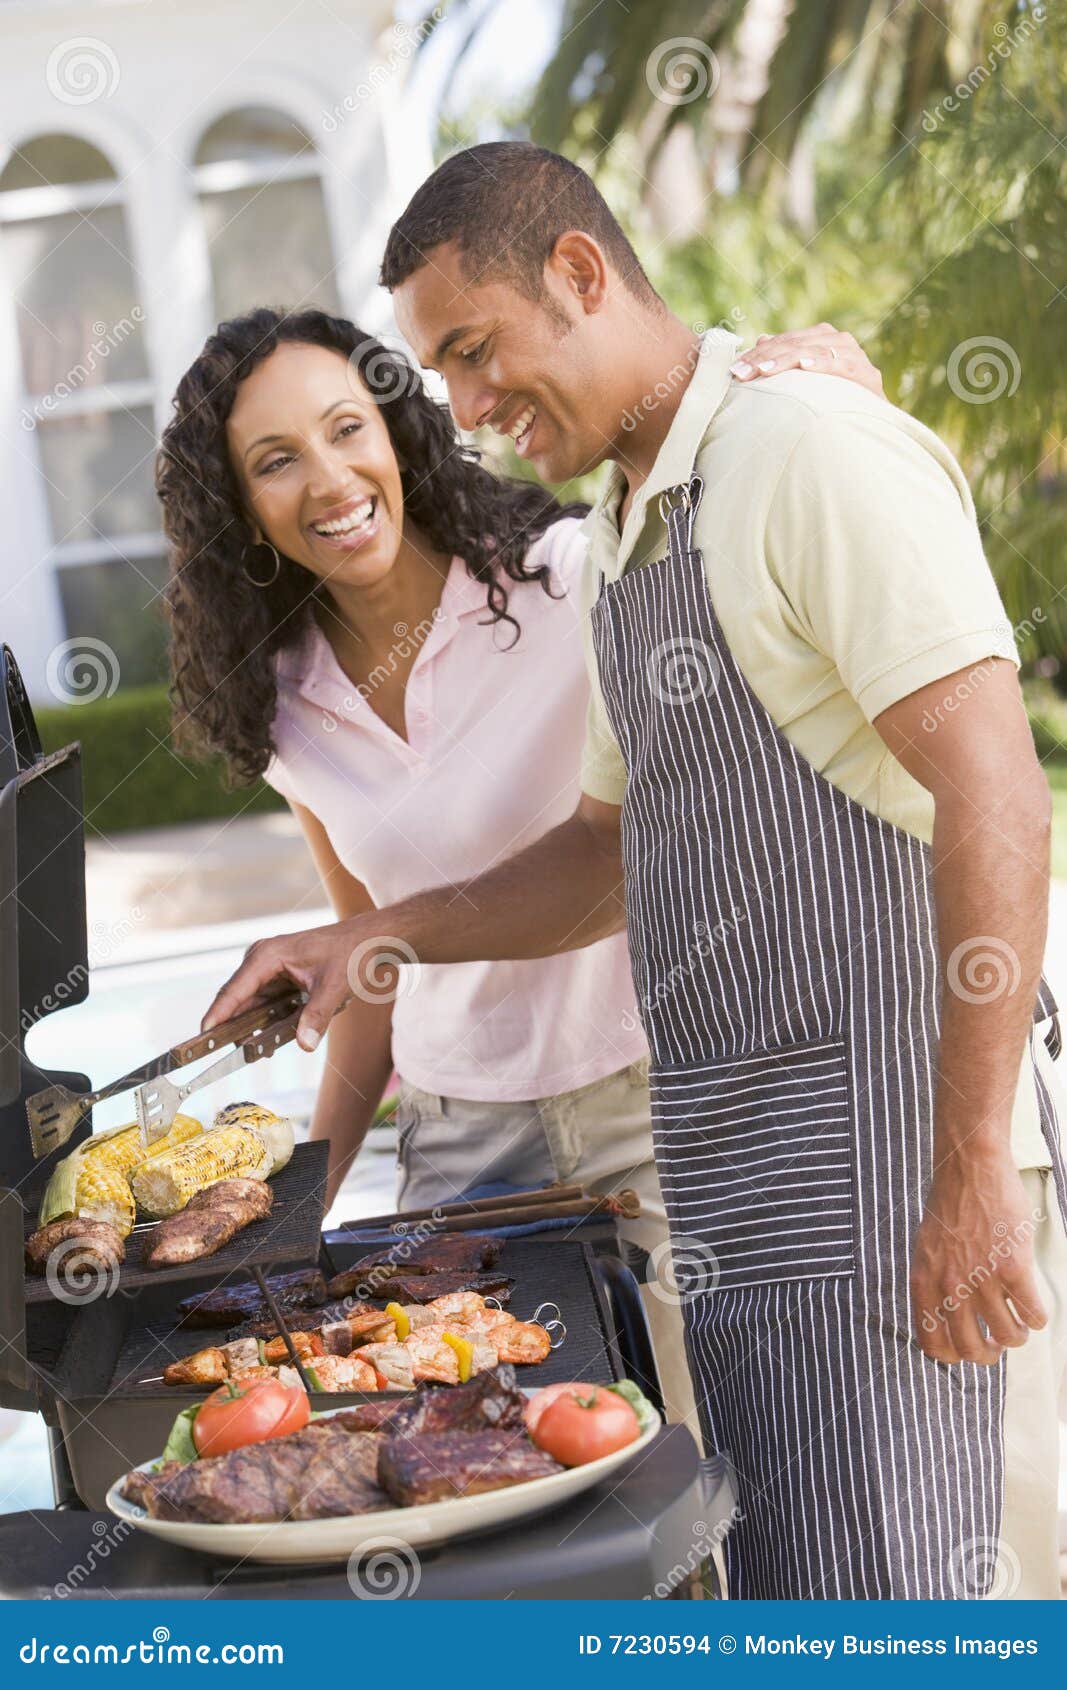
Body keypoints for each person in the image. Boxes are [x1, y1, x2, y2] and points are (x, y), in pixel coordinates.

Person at [203, 143, 1067, 1600]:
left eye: (471, 353)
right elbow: (603, 853)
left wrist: (975, 1166)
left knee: (923, 1601)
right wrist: (374, 940)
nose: (463, 411)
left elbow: (996, 791)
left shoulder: (800, 453)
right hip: (746, 1189)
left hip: (890, 1171)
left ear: (582, 275)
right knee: (801, 1601)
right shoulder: (625, 534)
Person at [162, 302, 876, 1424]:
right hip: (461, 1149)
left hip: (651, 1104)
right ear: (243, 511)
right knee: (483, 1475)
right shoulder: (284, 706)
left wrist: (808, 382)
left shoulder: (567, 580)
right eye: (276, 460)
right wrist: (301, 1198)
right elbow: (371, 975)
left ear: (399, 435)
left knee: (706, 1459)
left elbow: (740, 517)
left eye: (349, 428)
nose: (330, 478)